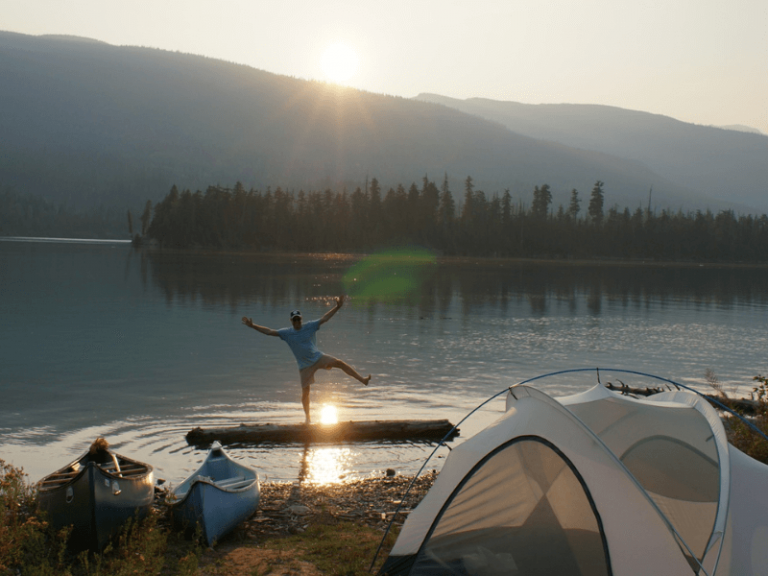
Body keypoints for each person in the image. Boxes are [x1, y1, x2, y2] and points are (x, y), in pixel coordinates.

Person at [242, 296, 371, 423]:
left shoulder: (309, 326)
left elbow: (324, 318)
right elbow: (269, 332)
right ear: (291, 321)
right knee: (306, 392)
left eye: (298, 319)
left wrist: (337, 307)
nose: (297, 322)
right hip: (304, 366)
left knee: (339, 363)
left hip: (318, 357)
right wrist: (253, 326)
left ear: (301, 319)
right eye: (294, 320)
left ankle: (363, 380)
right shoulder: (286, 333)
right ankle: (308, 418)